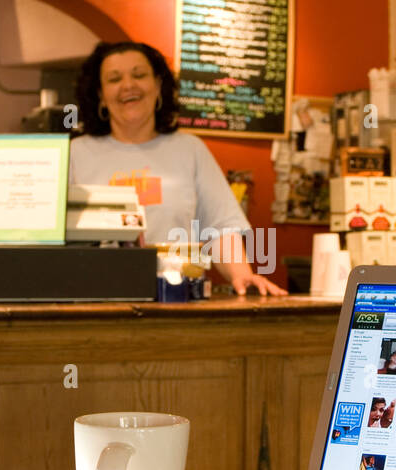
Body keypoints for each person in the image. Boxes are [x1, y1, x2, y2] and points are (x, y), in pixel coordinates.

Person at [68, 41, 285, 296]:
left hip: (177, 303)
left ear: (158, 85)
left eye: (139, 75)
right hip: (94, 304)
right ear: (100, 95)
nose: (128, 85)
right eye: (114, 79)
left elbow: (222, 228)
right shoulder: (74, 154)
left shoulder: (190, 149)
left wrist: (242, 275)